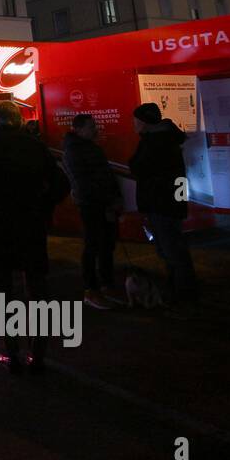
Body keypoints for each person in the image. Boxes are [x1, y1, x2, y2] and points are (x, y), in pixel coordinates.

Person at [0, 100, 69, 373]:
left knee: (2, 289)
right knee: (36, 288)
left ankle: (11, 351)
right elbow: (60, 183)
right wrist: (42, 205)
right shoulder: (34, 145)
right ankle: (38, 352)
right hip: (30, 224)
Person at [129, 102, 198, 303]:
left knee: (170, 249)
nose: (134, 124)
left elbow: (138, 167)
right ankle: (180, 288)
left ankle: (183, 292)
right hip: (170, 201)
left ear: (144, 122)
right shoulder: (168, 138)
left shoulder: (154, 142)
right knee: (173, 246)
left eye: (136, 120)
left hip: (160, 202)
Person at [63, 114, 123, 309]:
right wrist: (107, 201)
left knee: (106, 244)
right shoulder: (74, 151)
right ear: (78, 129)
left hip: (102, 203)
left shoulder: (90, 147)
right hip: (91, 204)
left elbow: (105, 175)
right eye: (90, 126)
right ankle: (91, 289)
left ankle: (106, 284)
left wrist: (114, 198)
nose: (95, 129)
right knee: (93, 245)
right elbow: (84, 182)